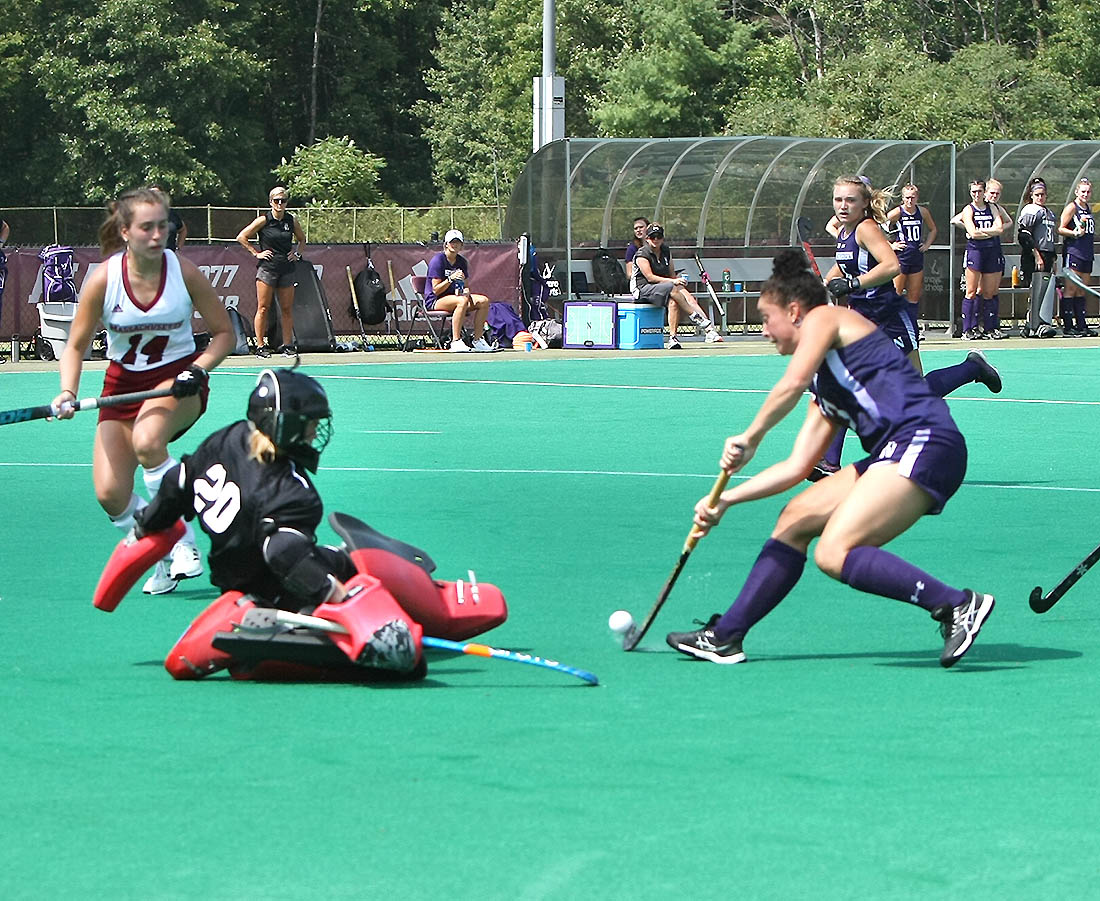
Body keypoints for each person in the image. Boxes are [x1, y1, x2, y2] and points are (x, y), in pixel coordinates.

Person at [665, 249, 995, 669]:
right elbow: (796, 467)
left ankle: (955, 604)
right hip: (895, 452)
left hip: (926, 442)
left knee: (834, 551)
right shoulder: (827, 387)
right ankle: (726, 635)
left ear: (795, 310)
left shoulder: (827, 318)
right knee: (795, 517)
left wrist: (750, 436)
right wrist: (725, 500)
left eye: (767, 319)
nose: (765, 332)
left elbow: (792, 380)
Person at [51, 186, 235, 594]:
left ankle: (182, 538)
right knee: (111, 493)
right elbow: (75, 346)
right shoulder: (104, 279)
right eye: (147, 227)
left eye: (163, 226)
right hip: (122, 387)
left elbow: (224, 334)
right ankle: (163, 554)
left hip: (178, 380)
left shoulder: (183, 272)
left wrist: (200, 369)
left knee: (149, 441)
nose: (158, 235)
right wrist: (67, 391)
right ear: (125, 230)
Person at [812, 175, 999, 479]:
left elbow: (891, 266)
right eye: (838, 200)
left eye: (850, 200)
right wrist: (825, 288)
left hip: (889, 321)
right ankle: (829, 462)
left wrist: (853, 283)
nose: (843, 206)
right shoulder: (845, 233)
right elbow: (841, 272)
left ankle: (971, 369)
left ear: (863, 203)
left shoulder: (866, 229)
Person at [133, 367, 354, 606]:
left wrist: (148, 522)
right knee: (357, 558)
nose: (314, 432)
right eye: (310, 423)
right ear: (286, 425)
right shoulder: (291, 491)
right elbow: (283, 552)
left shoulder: (227, 438)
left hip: (229, 586)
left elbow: (177, 481)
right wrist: (338, 597)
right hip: (274, 595)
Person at [236, 187, 306, 358]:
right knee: (263, 308)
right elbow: (242, 237)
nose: (280, 204)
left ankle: (288, 345)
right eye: (276, 201)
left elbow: (302, 239)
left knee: (287, 309)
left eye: (283, 200)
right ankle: (261, 346)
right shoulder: (263, 220)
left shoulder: (291, 220)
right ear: (270, 202)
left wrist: (297, 253)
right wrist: (256, 253)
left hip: (287, 269)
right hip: (267, 269)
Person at [630, 222, 723, 349]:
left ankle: (674, 338)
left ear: (662, 238)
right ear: (647, 238)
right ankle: (697, 318)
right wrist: (673, 282)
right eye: (652, 237)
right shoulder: (642, 254)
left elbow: (671, 274)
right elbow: (650, 277)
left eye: (658, 236)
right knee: (672, 288)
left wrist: (678, 281)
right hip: (642, 289)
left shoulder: (666, 251)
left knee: (676, 300)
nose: (656, 239)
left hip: (663, 287)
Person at [424, 229, 494, 353]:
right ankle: (456, 341)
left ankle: (478, 340)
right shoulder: (438, 260)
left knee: (483, 301)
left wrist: (465, 291)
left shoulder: (461, 262)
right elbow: (435, 290)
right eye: (452, 242)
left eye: (458, 242)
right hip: (435, 301)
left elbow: (465, 286)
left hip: (455, 298)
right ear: (446, 244)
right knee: (461, 301)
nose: (455, 245)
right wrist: (450, 279)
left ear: (462, 245)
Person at [951, 179, 1005, 340]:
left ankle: (990, 328)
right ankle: (969, 328)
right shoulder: (969, 209)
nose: (976, 194)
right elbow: (973, 233)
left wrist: (982, 231)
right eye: (973, 192)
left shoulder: (992, 208)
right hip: (976, 251)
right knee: (972, 291)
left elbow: (1000, 228)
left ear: (984, 192)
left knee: (989, 292)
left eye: (979, 191)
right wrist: (989, 231)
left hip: (991, 251)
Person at [885, 183, 938, 338]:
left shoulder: (922, 212)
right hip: (901, 257)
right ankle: (892, 327)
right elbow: (877, 227)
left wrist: (927, 244)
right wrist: (891, 245)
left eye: (913, 197)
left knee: (914, 296)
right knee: (896, 292)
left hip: (916, 257)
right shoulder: (897, 212)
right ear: (902, 198)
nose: (910, 200)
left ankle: (912, 328)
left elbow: (933, 229)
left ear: (917, 197)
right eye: (907, 197)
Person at [1059, 177, 1096, 337]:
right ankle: (1068, 325)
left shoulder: (1088, 208)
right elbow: (1060, 228)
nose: (1085, 194)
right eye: (1083, 191)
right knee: (1071, 289)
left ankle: (1082, 324)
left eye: (1088, 192)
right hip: (1074, 252)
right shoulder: (1072, 207)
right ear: (1076, 192)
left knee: (1082, 290)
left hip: (1087, 253)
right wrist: (1074, 233)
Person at [152, 186, 187, 252]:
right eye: (151, 194)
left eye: (158, 193)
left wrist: (178, 247)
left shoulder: (172, 214)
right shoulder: (141, 214)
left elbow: (183, 230)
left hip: (169, 255)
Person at [625, 216, 650, 282]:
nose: (638, 230)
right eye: (636, 228)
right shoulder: (632, 248)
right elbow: (629, 274)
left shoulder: (656, 246)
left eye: (641, 227)